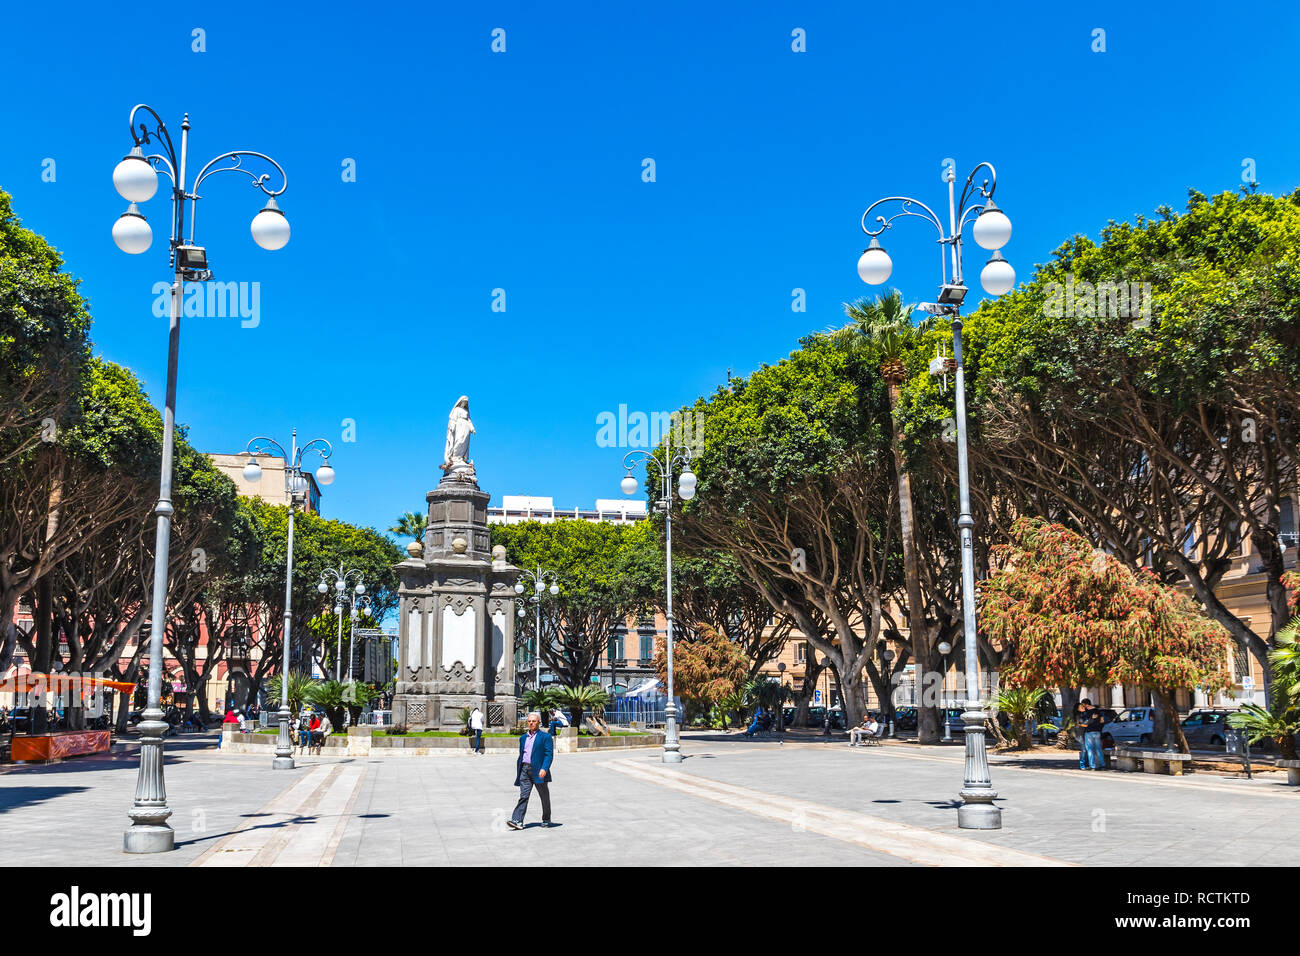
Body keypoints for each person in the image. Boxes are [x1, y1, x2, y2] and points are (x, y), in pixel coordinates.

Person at [508, 711, 554, 830]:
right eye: (529, 721)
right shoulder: (523, 738)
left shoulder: (546, 737)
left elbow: (549, 754)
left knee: (544, 797)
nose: (531, 723)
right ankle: (517, 820)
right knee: (524, 796)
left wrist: (544, 768)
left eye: (533, 721)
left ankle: (546, 819)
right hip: (525, 769)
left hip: (539, 771)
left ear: (539, 722)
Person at [1081, 699, 1107, 770]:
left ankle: (1092, 765)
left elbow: (1084, 723)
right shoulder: (1098, 711)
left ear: (1085, 704)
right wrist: (1099, 728)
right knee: (1099, 749)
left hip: (1089, 732)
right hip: (1097, 731)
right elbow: (1102, 721)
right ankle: (1102, 764)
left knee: (1090, 750)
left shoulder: (1086, 712)